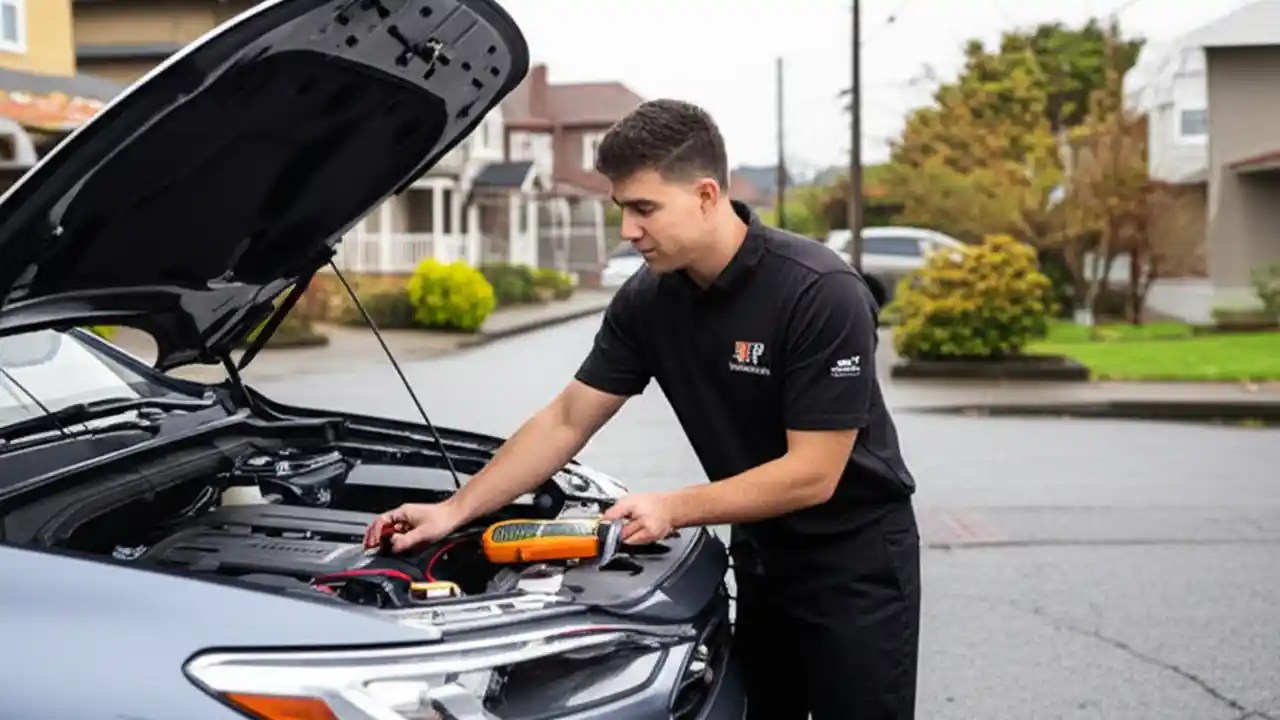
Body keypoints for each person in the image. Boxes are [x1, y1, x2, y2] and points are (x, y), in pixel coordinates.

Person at [363, 98, 921, 719]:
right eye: (621, 208)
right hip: (763, 558)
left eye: (644, 208)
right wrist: (454, 509)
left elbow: (813, 473)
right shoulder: (649, 301)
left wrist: (673, 507)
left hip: (856, 567)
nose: (627, 230)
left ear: (707, 195)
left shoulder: (819, 291)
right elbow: (567, 418)